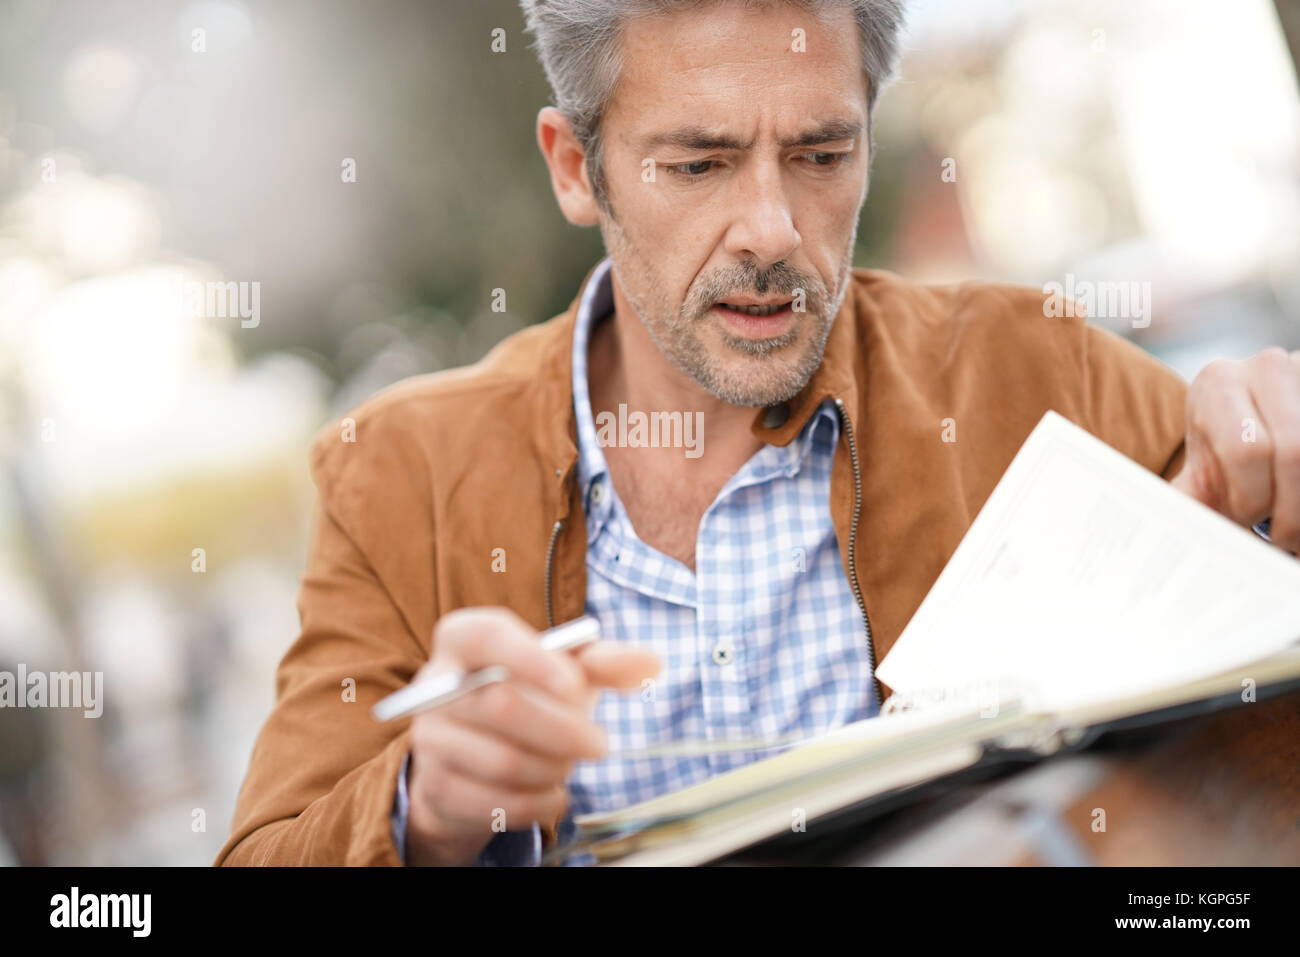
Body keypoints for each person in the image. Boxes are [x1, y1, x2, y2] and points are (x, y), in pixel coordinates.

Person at [216, 0, 1300, 867]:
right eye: (698, 165)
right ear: (572, 167)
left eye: (822, 155)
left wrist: (1275, 494)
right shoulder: (400, 475)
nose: (773, 231)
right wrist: (424, 808)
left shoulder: (1038, 371)